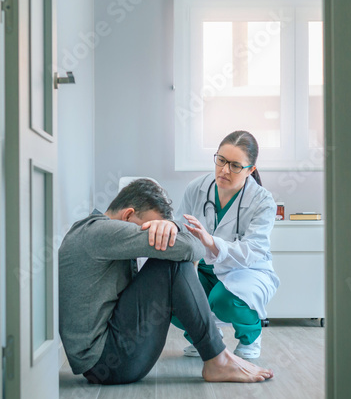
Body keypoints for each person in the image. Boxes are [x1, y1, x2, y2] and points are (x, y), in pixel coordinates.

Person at [58, 178, 274, 385]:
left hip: (107, 358)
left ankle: (217, 354)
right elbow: (192, 247)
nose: (156, 234)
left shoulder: (91, 230)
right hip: (108, 363)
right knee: (171, 264)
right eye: (151, 228)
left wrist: (172, 227)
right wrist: (175, 228)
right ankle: (217, 358)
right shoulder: (102, 232)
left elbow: (195, 247)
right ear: (128, 215)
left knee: (172, 259)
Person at [173, 130, 280, 359]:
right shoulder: (197, 187)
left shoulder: (262, 201)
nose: (224, 170)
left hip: (246, 270)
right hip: (201, 267)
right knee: (170, 296)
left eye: (235, 165)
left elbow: (253, 251)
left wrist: (211, 242)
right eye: (221, 160)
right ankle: (205, 337)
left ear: (250, 169)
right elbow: (180, 227)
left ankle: (250, 337)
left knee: (223, 300)